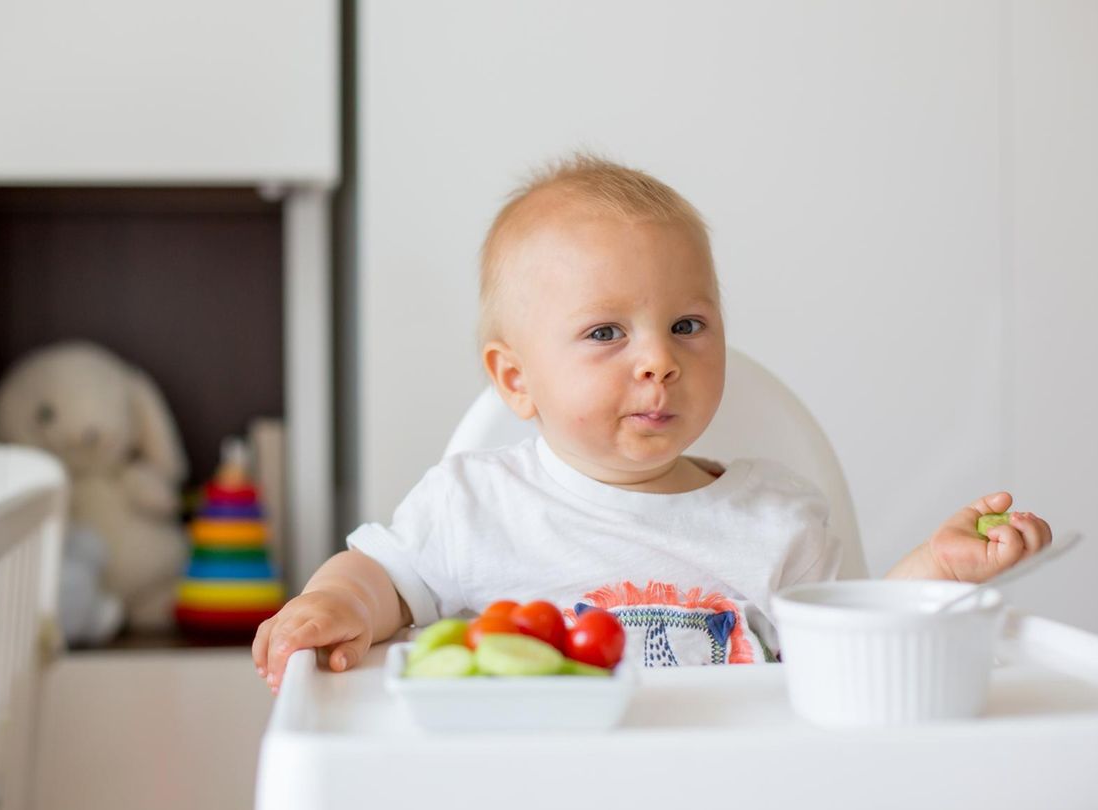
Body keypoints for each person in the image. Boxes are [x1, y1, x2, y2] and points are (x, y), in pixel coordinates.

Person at [253, 154, 1052, 688]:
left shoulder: (776, 517)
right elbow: (383, 579)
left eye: (688, 325)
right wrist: (332, 606)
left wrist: (929, 577)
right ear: (515, 379)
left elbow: (842, 655)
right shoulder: (474, 504)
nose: (659, 361)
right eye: (606, 333)